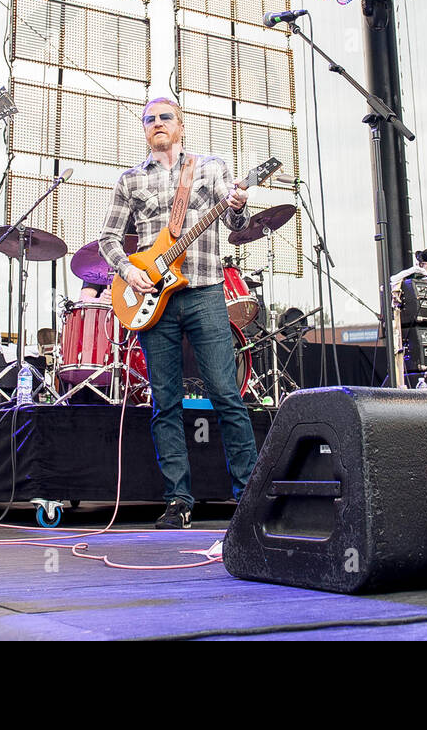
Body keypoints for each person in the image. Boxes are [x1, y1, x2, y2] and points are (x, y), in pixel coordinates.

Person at [99, 98, 258, 529]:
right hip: (153, 299)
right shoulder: (130, 180)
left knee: (227, 393)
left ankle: (250, 497)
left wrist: (239, 204)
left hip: (205, 290)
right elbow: (109, 239)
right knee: (164, 402)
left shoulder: (210, 167)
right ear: (144, 130)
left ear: (181, 125)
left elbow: (235, 227)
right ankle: (178, 500)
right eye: (149, 120)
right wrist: (129, 270)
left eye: (164, 118)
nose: (156, 124)